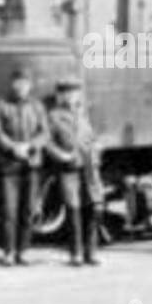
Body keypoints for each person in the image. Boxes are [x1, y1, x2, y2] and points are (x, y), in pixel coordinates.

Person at [0, 68, 47, 266]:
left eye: (24, 83)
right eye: (17, 82)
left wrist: (31, 146)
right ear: (12, 84)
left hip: (31, 164)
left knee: (29, 209)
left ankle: (23, 250)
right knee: (9, 211)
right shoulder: (0, 105)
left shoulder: (37, 107)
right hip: (8, 165)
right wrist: (13, 147)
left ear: (30, 86)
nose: (21, 86)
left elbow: (44, 133)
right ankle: (8, 252)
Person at [44, 77, 103, 266]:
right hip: (68, 168)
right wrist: (59, 154)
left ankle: (91, 252)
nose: (70, 97)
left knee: (93, 207)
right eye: (66, 94)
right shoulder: (53, 116)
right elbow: (46, 141)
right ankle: (75, 253)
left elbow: (92, 137)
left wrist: (96, 149)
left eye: (73, 93)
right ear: (60, 96)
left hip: (88, 167)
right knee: (73, 208)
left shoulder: (84, 114)